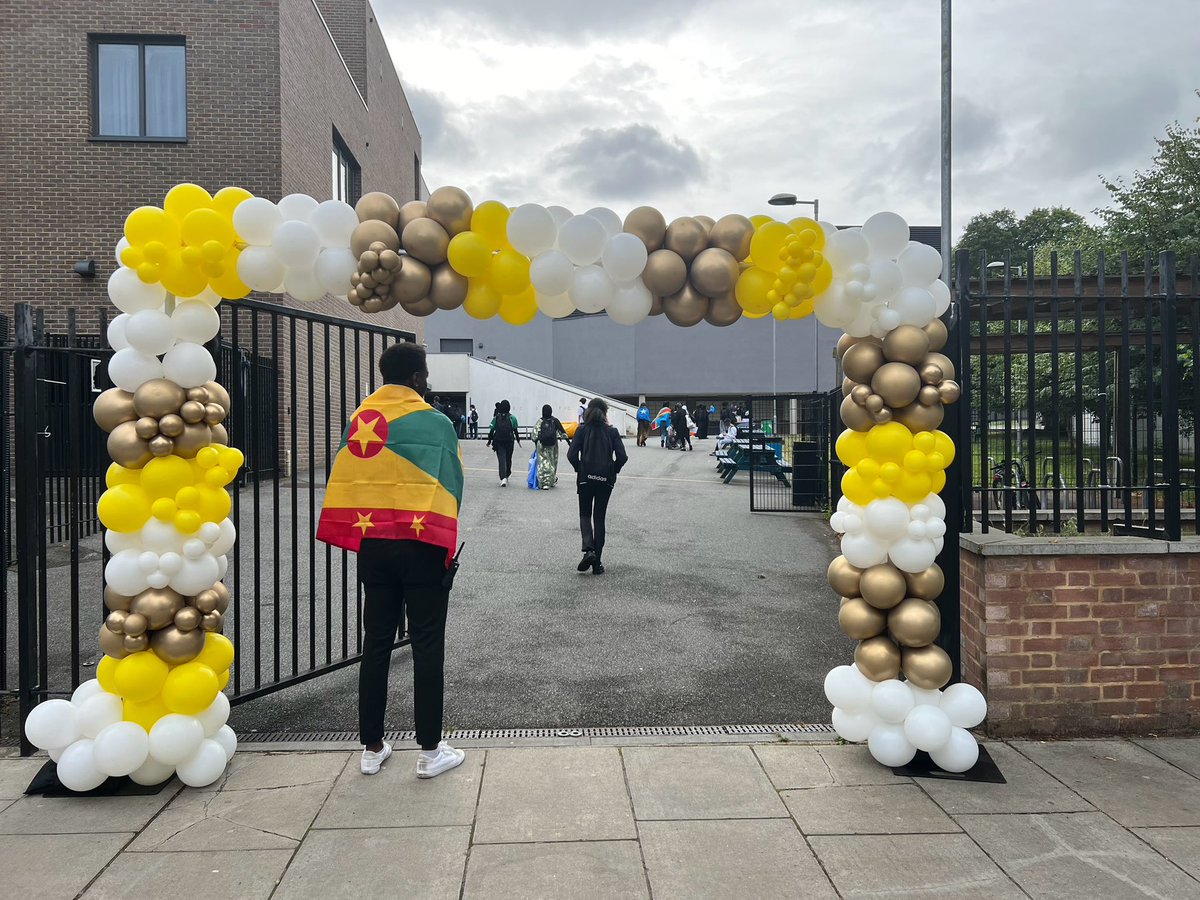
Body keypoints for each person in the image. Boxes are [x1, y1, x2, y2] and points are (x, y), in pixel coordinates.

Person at [316, 342, 466, 779]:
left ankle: (372, 747)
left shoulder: (360, 420)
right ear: (417, 377)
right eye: (426, 375)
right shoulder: (437, 423)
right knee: (427, 644)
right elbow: (452, 484)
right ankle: (431, 750)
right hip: (422, 545)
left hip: (375, 545)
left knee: (376, 642)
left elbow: (347, 479)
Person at [567, 398, 627, 574]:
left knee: (585, 514)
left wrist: (580, 468)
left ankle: (589, 549)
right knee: (599, 518)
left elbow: (571, 455)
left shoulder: (582, 430)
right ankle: (597, 563)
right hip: (605, 480)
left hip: (585, 478)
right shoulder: (612, 432)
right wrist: (613, 470)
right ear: (605, 413)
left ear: (588, 412)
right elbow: (622, 457)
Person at [533, 404, 569, 489]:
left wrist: (536, 443)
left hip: (542, 445)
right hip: (553, 445)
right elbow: (563, 433)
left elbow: (534, 436)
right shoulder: (555, 421)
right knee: (552, 463)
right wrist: (569, 443)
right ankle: (551, 480)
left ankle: (543, 482)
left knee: (543, 463)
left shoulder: (540, 421)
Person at [487, 399, 521, 486]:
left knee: (501, 459)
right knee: (508, 458)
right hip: (510, 441)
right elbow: (515, 430)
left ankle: (503, 478)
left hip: (499, 441)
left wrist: (489, 441)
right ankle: (507, 474)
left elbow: (491, 430)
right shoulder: (512, 418)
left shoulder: (496, 417)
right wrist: (518, 440)